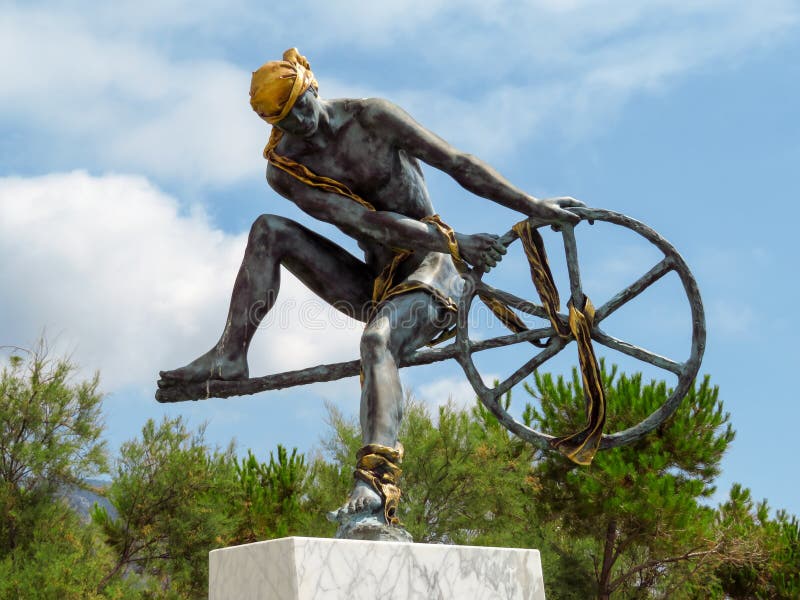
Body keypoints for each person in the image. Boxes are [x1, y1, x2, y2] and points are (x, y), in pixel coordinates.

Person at [158, 48, 580, 526]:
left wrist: (529, 206)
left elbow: (458, 163)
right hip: (377, 279)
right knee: (268, 230)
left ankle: (375, 481)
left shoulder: (372, 117)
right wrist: (457, 238)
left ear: (311, 86)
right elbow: (364, 221)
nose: (302, 121)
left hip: (435, 267)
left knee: (377, 340)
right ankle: (230, 353)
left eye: (301, 104)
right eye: (286, 118)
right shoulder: (285, 169)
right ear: (271, 124)